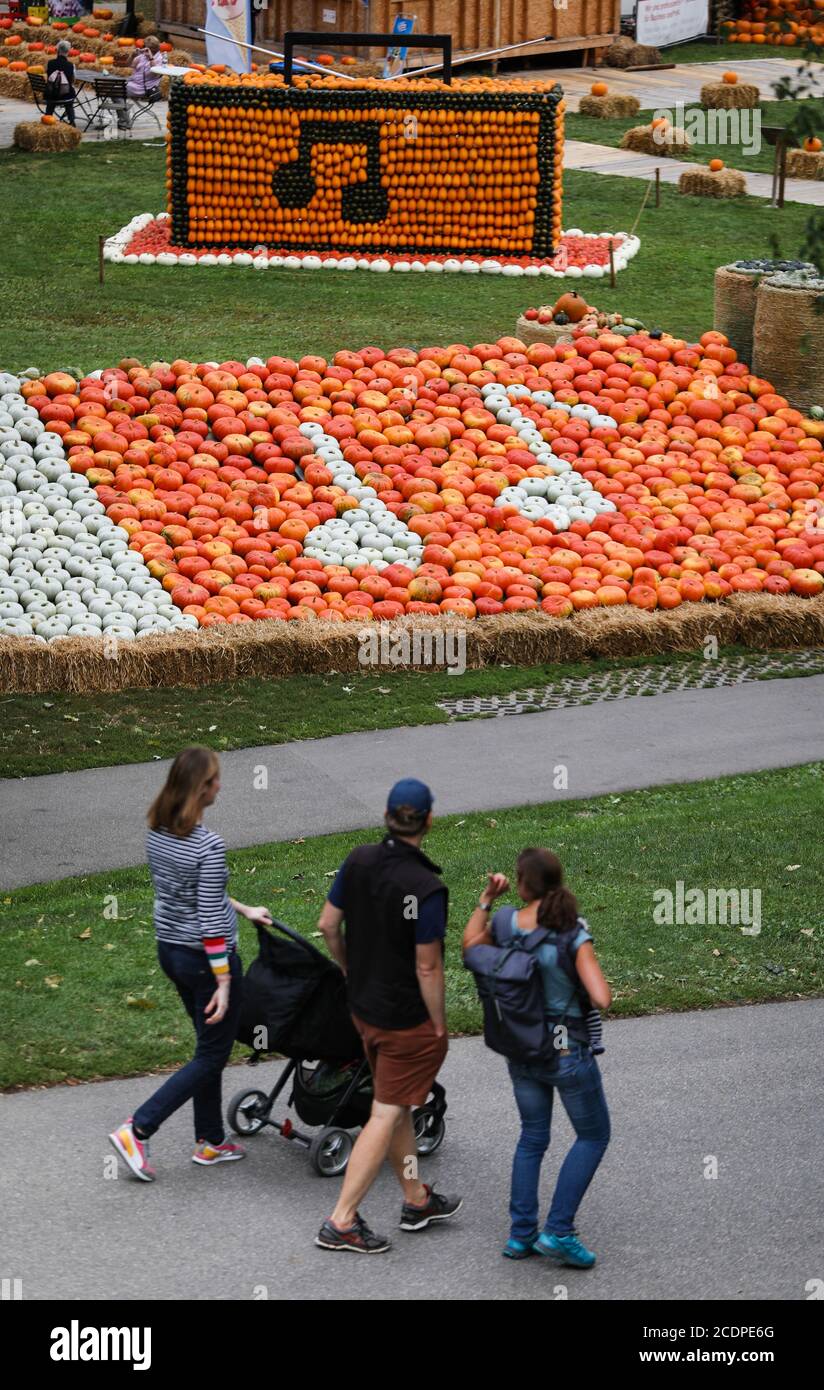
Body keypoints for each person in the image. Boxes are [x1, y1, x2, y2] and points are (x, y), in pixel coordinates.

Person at [108, 747, 273, 1181]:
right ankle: (137, 1129)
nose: (221, 785)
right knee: (212, 1053)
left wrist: (245, 909)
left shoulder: (158, 832)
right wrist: (223, 981)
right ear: (201, 789)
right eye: (216, 779)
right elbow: (207, 919)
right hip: (205, 960)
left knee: (209, 1049)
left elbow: (198, 895)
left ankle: (211, 1140)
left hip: (171, 952)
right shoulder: (208, 845)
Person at [315, 779, 461, 1253]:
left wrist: (349, 970)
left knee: (395, 1103)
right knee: (386, 1112)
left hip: (365, 1010)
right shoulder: (426, 887)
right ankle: (341, 1220)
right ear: (429, 821)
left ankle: (416, 1198)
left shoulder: (358, 859)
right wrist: (438, 1022)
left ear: (386, 816)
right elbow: (427, 964)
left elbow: (327, 925)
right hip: (405, 1020)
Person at [462, 848, 612, 1267]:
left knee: (532, 1138)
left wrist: (486, 900)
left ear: (522, 884)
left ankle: (520, 1235)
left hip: (522, 1047)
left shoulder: (506, 921)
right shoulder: (571, 931)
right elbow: (601, 997)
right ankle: (560, 1231)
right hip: (566, 1049)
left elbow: (469, 944)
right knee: (593, 1136)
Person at [116, 35, 165, 131]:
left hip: (143, 88)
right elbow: (129, 64)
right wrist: (133, 55)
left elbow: (156, 73)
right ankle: (125, 116)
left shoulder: (159, 58)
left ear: (153, 48)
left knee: (116, 92)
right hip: (133, 84)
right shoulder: (143, 56)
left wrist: (151, 58)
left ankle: (124, 120)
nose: (144, 49)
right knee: (114, 90)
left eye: (146, 47)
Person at [44, 39, 77, 126]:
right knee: (69, 98)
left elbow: (49, 78)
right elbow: (73, 80)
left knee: (51, 100)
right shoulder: (71, 65)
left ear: (57, 51)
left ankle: (48, 116)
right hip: (66, 96)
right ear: (68, 52)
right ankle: (72, 120)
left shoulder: (50, 63)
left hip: (51, 95)